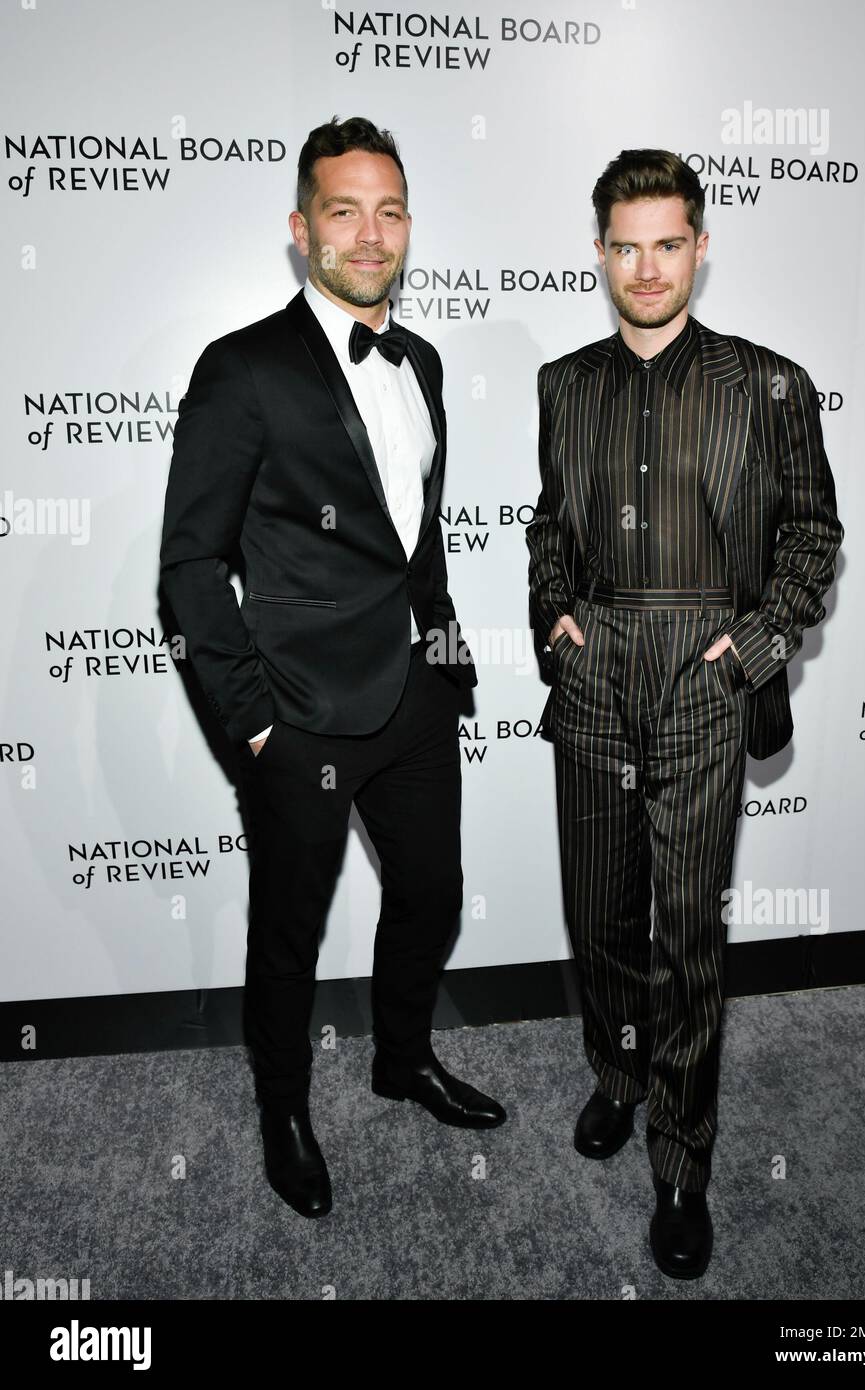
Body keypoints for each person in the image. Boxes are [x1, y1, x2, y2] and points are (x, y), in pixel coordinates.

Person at [159, 115, 505, 1221]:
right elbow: (192, 565)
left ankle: (401, 1058)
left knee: (434, 894)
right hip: (300, 715)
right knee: (289, 929)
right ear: (301, 226)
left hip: (415, 695)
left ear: (409, 225)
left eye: (390, 209)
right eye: (345, 209)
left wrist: (449, 659)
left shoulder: (426, 361)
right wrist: (253, 722)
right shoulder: (244, 369)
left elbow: (421, 534)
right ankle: (284, 1109)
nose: (370, 232)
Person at [526, 149, 843, 1278]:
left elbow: (813, 536)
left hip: (706, 672)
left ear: (701, 247)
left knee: (686, 935)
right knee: (600, 913)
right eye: (627, 244)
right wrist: (554, 612)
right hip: (597, 665)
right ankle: (617, 1073)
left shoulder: (771, 385)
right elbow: (548, 526)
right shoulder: (564, 384)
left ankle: (682, 1155)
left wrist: (752, 644)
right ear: (600, 252)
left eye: (669, 243)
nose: (647, 267)